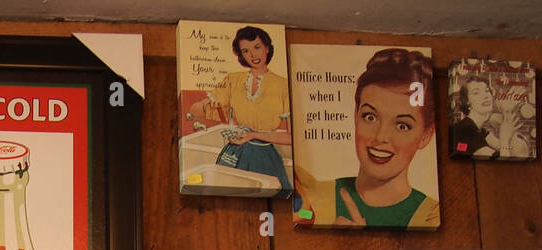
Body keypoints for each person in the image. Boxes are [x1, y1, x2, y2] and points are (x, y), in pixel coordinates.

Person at [294, 48, 439, 228]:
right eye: (370, 117)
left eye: (402, 126)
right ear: (356, 114)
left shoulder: (430, 216)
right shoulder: (313, 197)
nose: (381, 137)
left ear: (426, 135)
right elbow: (300, 215)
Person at [185, 25, 292, 191]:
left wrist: (253, 135)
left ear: (267, 48)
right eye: (246, 51)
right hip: (235, 151)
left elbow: (291, 138)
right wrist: (204, 106)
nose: (253, 55)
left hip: (264, 156)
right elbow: (196, 109)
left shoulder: (283, 85)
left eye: (257, 47)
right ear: (241, 55)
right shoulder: (233, 80)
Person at [450, 77, 497, 158]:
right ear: (467, 101)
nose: (486, 96)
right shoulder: (462, 131)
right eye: (476, 93)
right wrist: (505, 139)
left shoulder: (482, 132)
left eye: (487, 91)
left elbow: (506, 148)